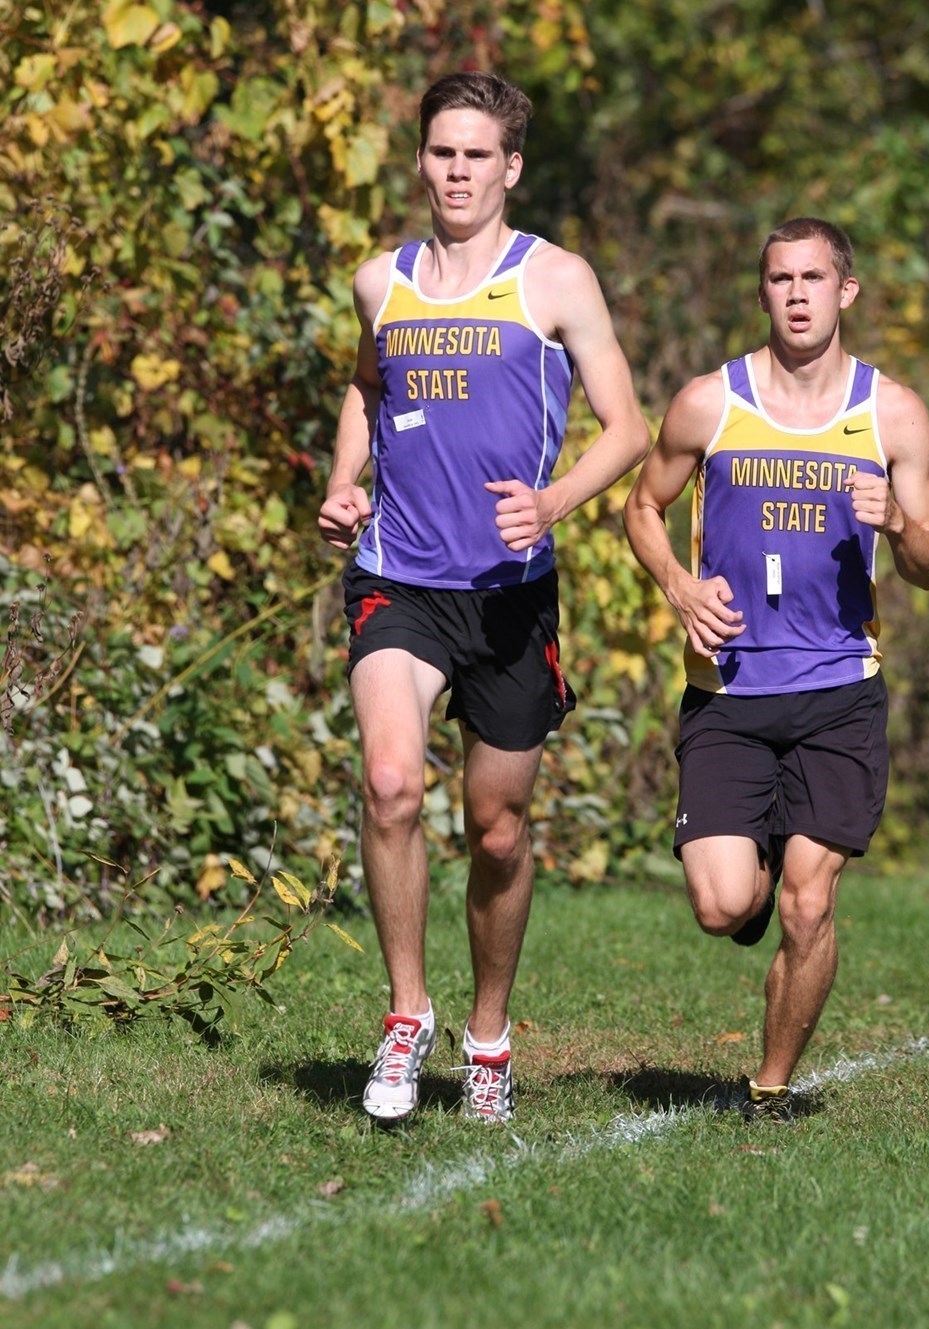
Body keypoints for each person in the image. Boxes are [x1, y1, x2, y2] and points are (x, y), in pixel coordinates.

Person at [318, 71, 648, 1124]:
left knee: (498, 832)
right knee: (389, 783)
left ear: (508, 169)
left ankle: (490, 1036)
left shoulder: (555, 281)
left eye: (475, 156)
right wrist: (342, 481)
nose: (454, 172)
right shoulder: (382, 280)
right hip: (398, 579)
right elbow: (368, 387)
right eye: (438, 152)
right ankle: (407, 1018)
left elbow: (628, 429)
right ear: (420, 160)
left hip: (509, 598)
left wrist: (552, 500)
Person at [623, 218, 929, 1121]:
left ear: (847, 290)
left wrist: (900, 526)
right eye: (779, 279)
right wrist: (679, 588)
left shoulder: (892, 412)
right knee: (725, 905)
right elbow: (642, 508)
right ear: (761, 292)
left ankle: (770, 1086)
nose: (797, 294)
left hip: (840, 692)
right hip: (727, 692)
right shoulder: (708, 404)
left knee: (810, 904)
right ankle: (755, 855)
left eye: (813, 277)